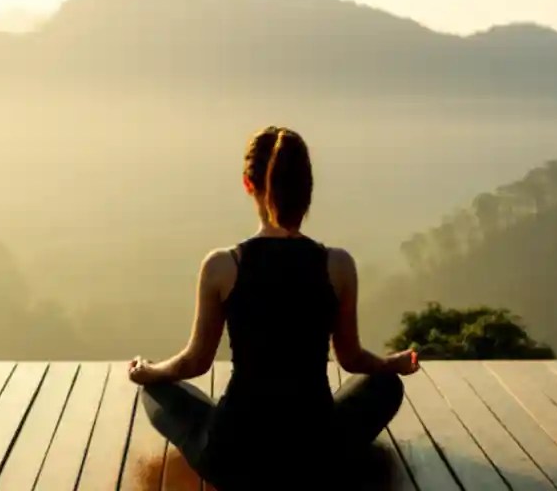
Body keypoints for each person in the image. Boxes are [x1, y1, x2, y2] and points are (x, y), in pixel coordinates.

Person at [127, 125, 419, 490]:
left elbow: (195, 362)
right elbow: (353, 359)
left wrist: (148, 371)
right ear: (307, 190)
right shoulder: (338, 265)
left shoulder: (222, 265)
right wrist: (391, 364)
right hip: (316, 455)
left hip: (233, 458)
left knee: (156, 391)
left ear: (249, 185)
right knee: (385, 386)